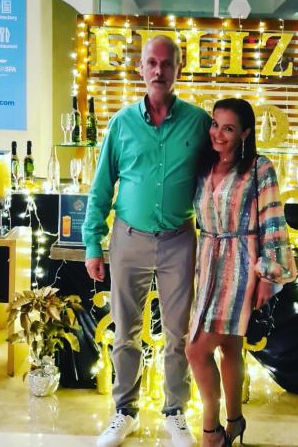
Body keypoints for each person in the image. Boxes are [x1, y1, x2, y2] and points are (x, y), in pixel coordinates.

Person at [82, 35, 211, 447]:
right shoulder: (121, 124)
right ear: (140, 68)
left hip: (179, 240)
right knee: (125, 332)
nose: (159, 70)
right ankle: (125, 412)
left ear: (178, 69)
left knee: (178, 334)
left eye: (166, 63)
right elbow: (101, 188)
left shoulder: (199, 123)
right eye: (151, 63)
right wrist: (92, 243)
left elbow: (219, 177)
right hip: (128, 238)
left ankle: (175, 413)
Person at [185, 98, 297, 446]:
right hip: (207, 261)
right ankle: (234, 421)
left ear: (245, 133)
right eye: (215, 124)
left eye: (229, 128)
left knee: (196, 349)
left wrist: (267, 275)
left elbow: (273, 221)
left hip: (241, 265)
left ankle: (210, 428)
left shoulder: (260, 168)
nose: (218, 134)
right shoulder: (203, 165)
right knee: (231, 347)